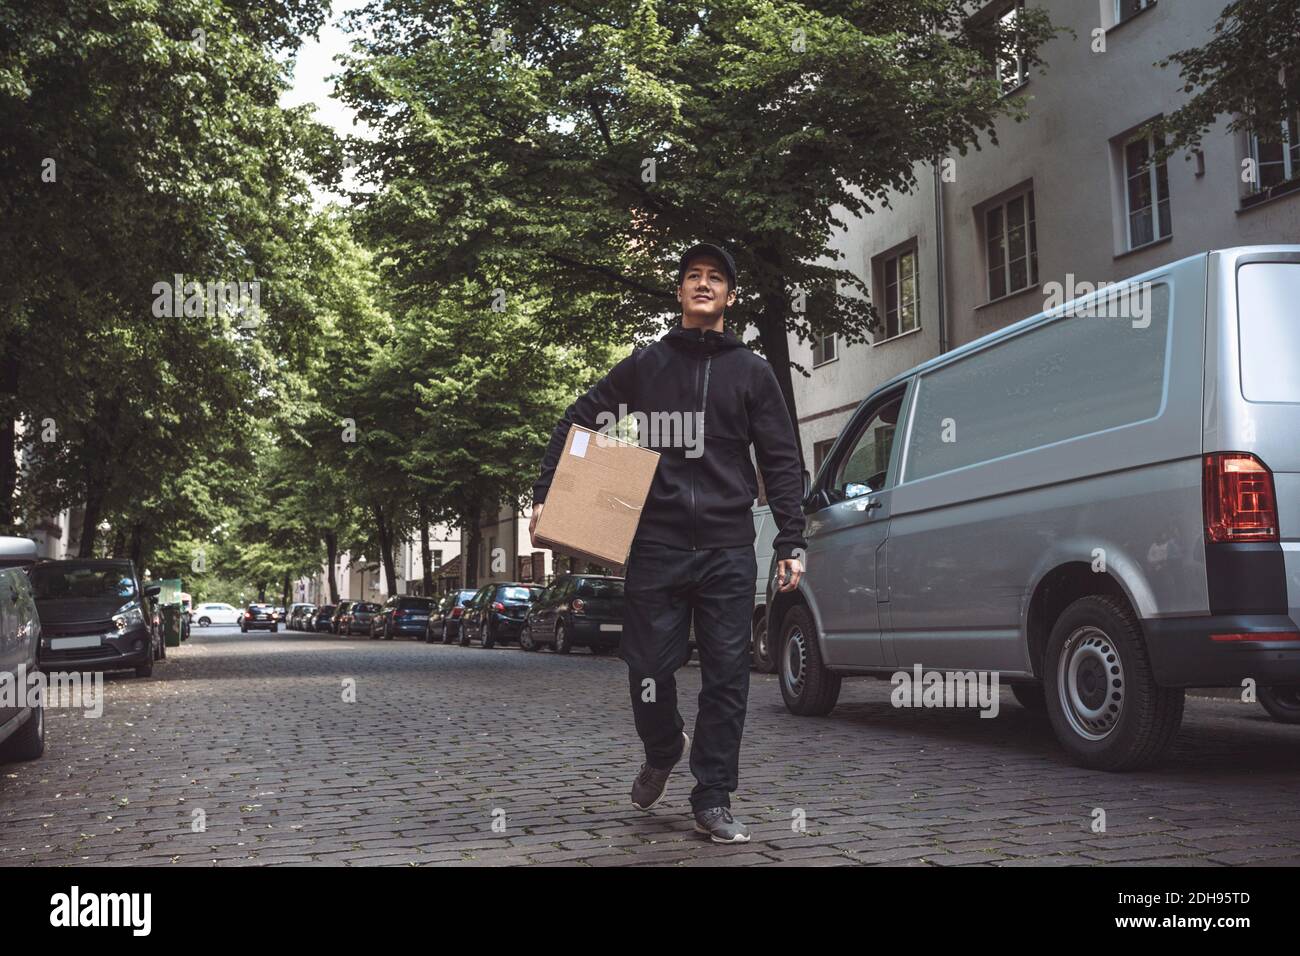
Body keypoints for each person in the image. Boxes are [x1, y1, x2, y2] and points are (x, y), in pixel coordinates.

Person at [530, 242, 806, 843]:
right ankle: (663, 746)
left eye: (715, 278)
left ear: (730, 295)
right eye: (692, 277)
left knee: (728, 675)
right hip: (655, 542)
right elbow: (580, 418)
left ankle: (712, 796)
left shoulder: (752, 372)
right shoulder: (647, 366)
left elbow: (782, 459)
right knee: (648, 666)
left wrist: (791, 539)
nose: (703, 284)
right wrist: (544, 494)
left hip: (729, 545)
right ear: (680, 292)